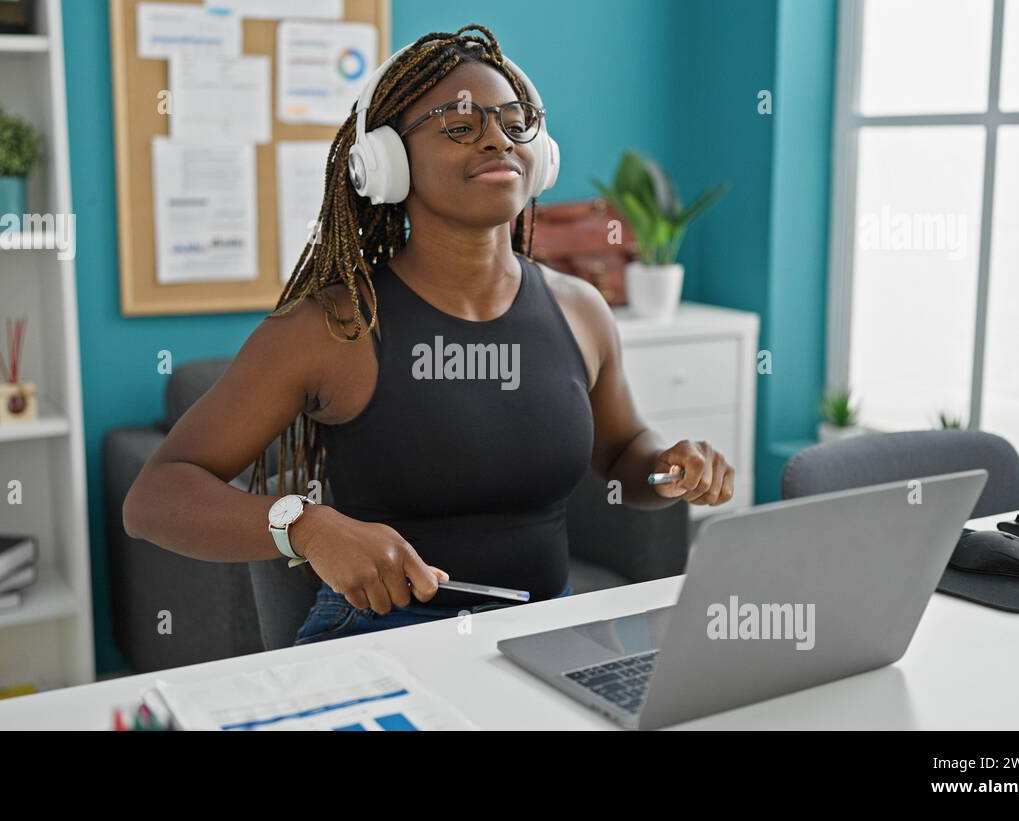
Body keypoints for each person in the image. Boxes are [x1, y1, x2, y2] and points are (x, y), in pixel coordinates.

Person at [123, 24, 734, 647]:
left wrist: (668, 468)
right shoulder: (332, 327)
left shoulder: (582, 309)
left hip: (548, 629)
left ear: (541, 152)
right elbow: (154, 498)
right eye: (461, 127)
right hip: (387, 638)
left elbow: (624, 454)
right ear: (386, 163)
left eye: (515, 123)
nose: (498, 139)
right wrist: (305, 526)